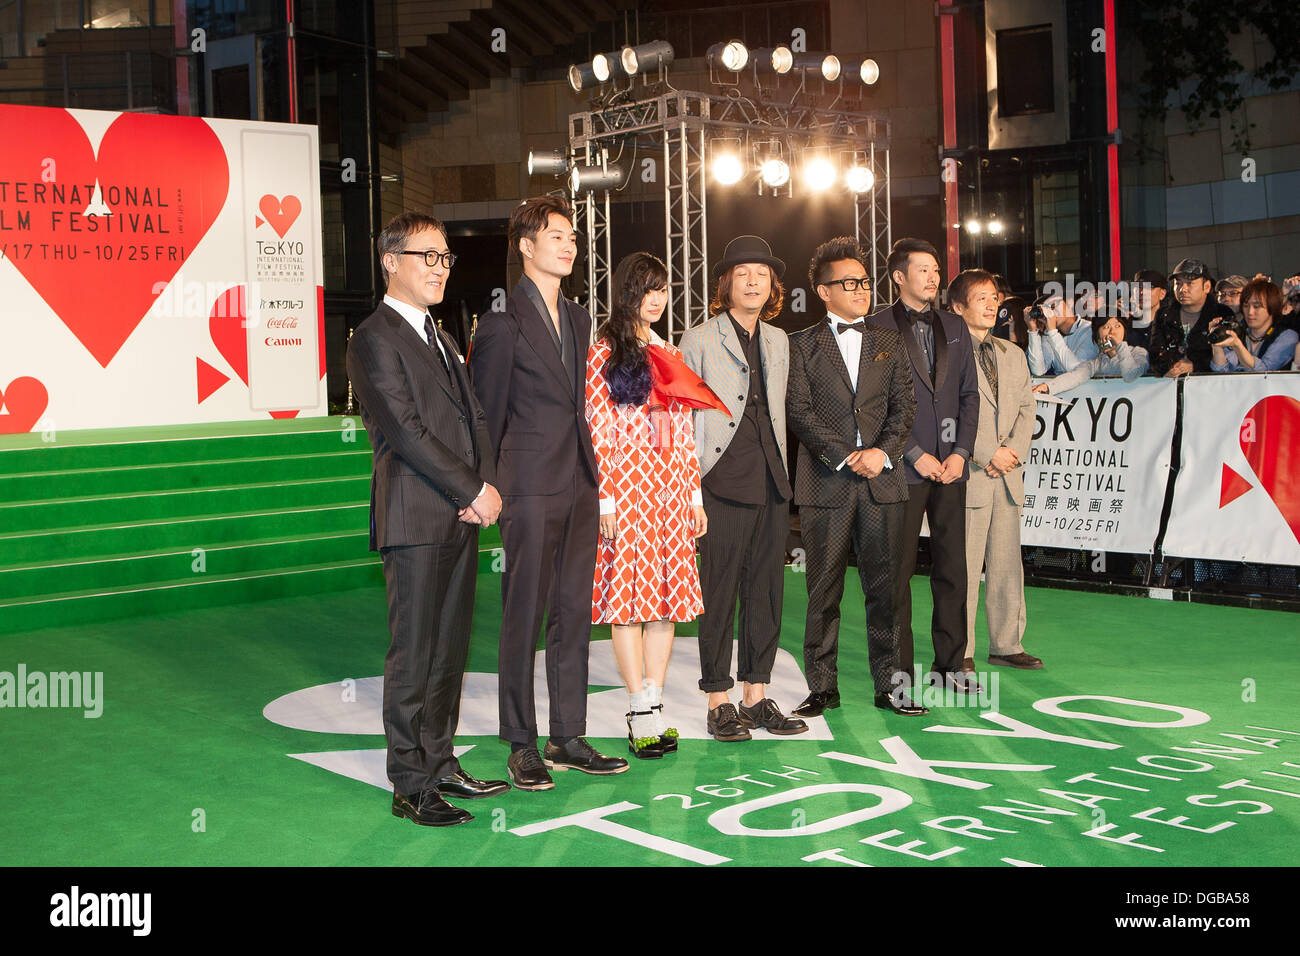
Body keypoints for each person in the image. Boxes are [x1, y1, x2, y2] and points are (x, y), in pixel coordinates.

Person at [346, 212, 509, 827]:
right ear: (391, 261)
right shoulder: (373, 337)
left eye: (445, 258)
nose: (439, 268)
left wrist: (486, 487)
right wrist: (471, 488)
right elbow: (406, 433)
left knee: (449, 651)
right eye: (427, 257)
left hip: (461, 514)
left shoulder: (440, 334)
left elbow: (476, 418)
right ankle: (409, 783)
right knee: (413, 654)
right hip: (416, 517)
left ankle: (440, 762)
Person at [469, 195, 628, 790]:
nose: (569, 245)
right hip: (528, 487)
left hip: (581, 483)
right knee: (524, 614)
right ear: (526, 246)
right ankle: (521, 742)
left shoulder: (582, 317)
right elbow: (484, 414)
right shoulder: (501, 324)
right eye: (556, 236)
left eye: (572, 237)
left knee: (573, 613)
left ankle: (568, 733)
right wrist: (489, 484)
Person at [585, 252, 718, 758]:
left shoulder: (671, 351)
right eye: (647, 289)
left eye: (663, 289)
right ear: (626, 293)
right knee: (628, 602)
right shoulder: (602, 351)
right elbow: (598, 428)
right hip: (625, 487)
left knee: (666, 601)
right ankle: (638, 707)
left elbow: (683, 430)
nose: (657, 299)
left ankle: (655, 707)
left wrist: (694, 495)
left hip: (670, 487)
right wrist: (605, 498)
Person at [786, 237, 926, 718]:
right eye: (849, 283)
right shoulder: (800, 345)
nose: (862, 290)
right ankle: (822, 687)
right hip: (826, 483)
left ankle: (892, 687)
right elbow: (799, 413)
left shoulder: (890, 342)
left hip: (883, 482)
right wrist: (848, 456)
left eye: (865, 282)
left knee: (886, 592)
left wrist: (881, 454)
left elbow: (905, 409)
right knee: (822, 591)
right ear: (823, 292)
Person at [680, 235, 808, 741]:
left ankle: (757, 694)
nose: (753, 281)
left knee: (767, 591)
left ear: (772, 285)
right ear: (725, 284)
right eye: (742, 273)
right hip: (720, 479)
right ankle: (718, 698)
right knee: (719, 589)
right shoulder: (699, 338)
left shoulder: (779, 340)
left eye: (762, 273)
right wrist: (691, 490)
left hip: (773, 480)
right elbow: (685, 418)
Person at [870, 238, 981, 695]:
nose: (933, 278)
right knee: (896, 574)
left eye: (936, 270)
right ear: (899, 277)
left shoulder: (955, 325)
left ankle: (952, 665)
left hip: (952, 468)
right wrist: (915, 453)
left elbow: (968, 396)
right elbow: (873, 403)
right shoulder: (875, 325)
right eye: (923, 270)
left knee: (953, 568)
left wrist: (960, 453)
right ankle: (899, 673)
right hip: (902, 467)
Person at [948, 269, 1041, 671]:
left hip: (1007, 476)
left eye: (994, 297)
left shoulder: (1013, 353)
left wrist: (1014, 451)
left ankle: (1006, 643)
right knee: (964, 570)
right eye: (980, 297)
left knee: (1006, 566)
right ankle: (960, 651)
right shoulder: (947, 353)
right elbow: (946, 415)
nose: (991, 304)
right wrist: (988, 453)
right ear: (957, 307)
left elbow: (1027, 408)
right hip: (970, 474)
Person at [1149, 258, 1231, 377]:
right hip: (1169, 387)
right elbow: (1154, 353)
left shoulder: (1222, 313)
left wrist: (1195, 366)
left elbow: (1230, 358)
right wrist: (1167, 368)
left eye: (1190, 283)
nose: (1183, 289)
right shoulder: (1163, 315)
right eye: (1178, 283)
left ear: (1207, 286)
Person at [1033, 315, 1149, 394]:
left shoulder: (1139, 353)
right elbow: (1075, 376)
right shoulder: (1095, 363)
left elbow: (1130, 375)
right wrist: (1048, 387)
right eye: (1106, 327)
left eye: (1117, 326)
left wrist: (1119, 347)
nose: (1112, 331)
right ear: (1097, 335)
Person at [1209, 278, 1298, 373]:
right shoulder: (1238, 331)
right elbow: (1221, 370)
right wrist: (1215, 341)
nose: (1250, 312)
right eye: (1246, 306)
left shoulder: (1287, 336)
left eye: (1257, 306)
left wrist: (1238, 346)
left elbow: (1264, 371)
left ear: (1272, 307)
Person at [1026, 291, 1098, 376]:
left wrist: (1053, 333)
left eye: (1053, 306)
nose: (1050, 312)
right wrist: (1033, 331)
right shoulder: (1048, 334)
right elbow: (1038, 371)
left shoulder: (1089, 330)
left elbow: (1076, 369)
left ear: (1069, 303)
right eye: (1045, 309)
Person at [1126, 269, 1167, 352]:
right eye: (1138, 286)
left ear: (1162, 294)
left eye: (1150, 287)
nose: (1142, 292)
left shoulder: (1169, 327)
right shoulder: (1125, 325)